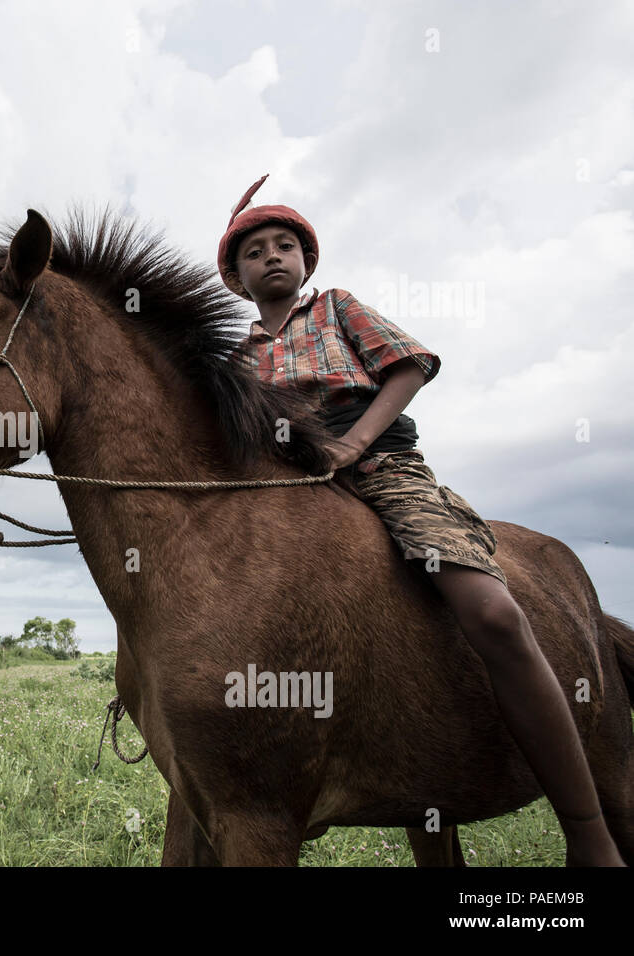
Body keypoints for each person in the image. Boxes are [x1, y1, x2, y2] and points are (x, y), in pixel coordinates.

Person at [217, 174, 625, 866]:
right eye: (254, 252)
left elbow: (409, 367)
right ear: (236, 277)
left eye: (285, 244)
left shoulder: (338, 310)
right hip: (288, 497)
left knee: (490, 610)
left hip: (382, 470)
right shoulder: (238, 360)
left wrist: (353, 444)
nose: (272, 257)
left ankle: (588, 833)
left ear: (307, 261)